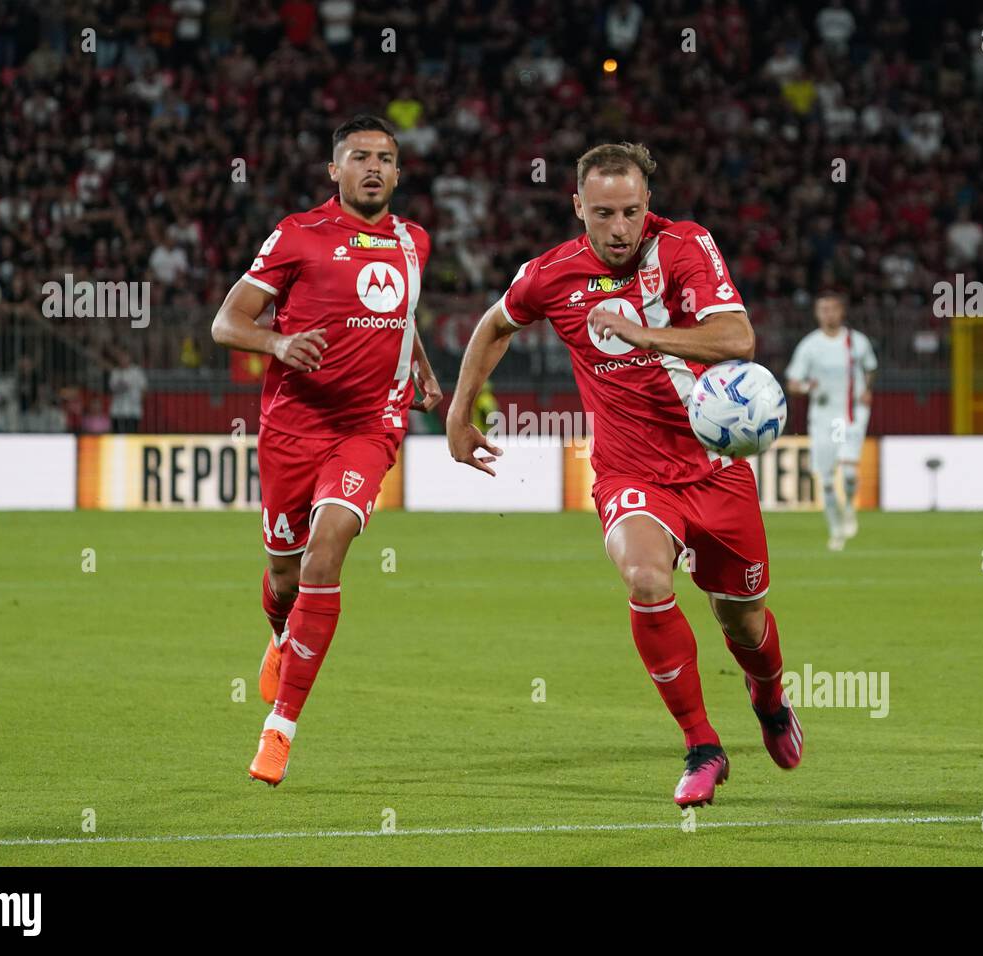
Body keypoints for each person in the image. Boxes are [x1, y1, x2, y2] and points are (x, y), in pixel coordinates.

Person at [447, 143, 800, 808]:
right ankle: (701, 746)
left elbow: (737, 339)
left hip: (715, 471)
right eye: (603, 213)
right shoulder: (550, 275)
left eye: (632, 212)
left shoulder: (685, 246)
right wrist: (459, 412)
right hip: (630, 472)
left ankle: (769, 698)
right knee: (645, 577)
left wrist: (646, 337)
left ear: (648, 205)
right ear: (577, 207)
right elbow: (494, 326)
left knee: (744, 621)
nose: (619, 228)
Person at [210, 114, 442, 786]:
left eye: (385, 158)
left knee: (328, 546)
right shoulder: (298, 234)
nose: (374, 168)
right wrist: (278, 343)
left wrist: (422, 370)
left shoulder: (414, 241)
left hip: (368, 427)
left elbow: (400, 317)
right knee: (284, 576)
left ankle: (280, 728)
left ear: (398, 172)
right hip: (293, 427)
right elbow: (227, 322)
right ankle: (280, 633)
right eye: (360, 157)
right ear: (333, 169)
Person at [785, 292, 877, 550]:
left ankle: (849, 508)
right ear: (817, 313)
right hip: (823, 417)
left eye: (832, 309)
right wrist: (807, 387)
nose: (828, 314)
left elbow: (870, 368)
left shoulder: (856, 341)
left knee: (848, 472)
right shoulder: (810, 345)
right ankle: (835, 530)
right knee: (826, 480)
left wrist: (867, 389)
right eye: (823, 309)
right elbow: (793, 383)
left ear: (841, 311)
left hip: (850, 414)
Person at [108, 349, 147, 432]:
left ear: (130, 358)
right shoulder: (115, 372)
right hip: (117, 410)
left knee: (132, 434)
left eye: (125, 357)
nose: (123, 360)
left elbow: (144, 388)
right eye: (121, 358)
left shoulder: (137, 371)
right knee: (117, 434)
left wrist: (139, 401)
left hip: (133, 410)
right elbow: (112, 387)